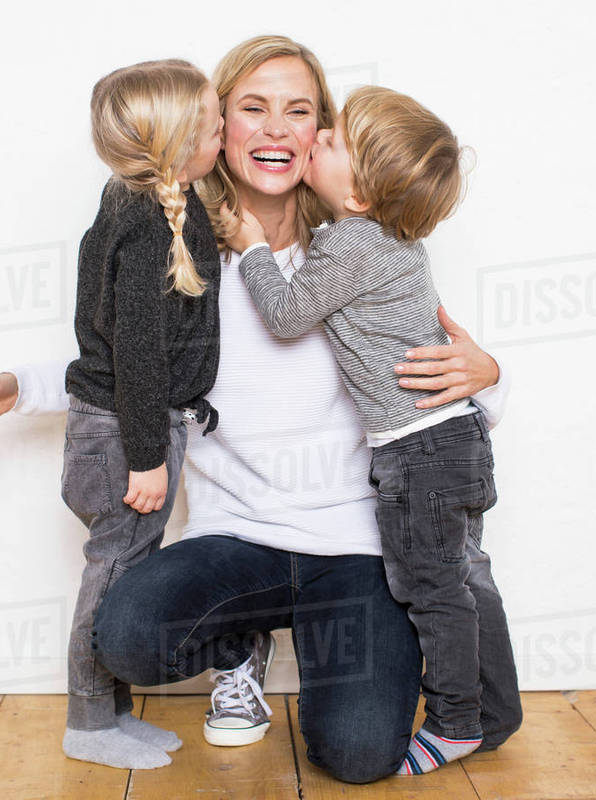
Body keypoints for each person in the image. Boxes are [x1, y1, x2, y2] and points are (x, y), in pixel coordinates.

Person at [0, 35, 522, 785]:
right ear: (214, 129)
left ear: (325, 138)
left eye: (302, 112)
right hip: (235, 544)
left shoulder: (358, 252)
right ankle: (241, 642)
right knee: (124, 635)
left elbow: (437, 383)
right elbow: (134, 369)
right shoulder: (187, 254)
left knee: (356, 755)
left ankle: (355, 651)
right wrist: (20, 386)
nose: (278, 129)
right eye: (253, 109)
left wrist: (492, 373)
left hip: (354, 546)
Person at [223, 84, 494, 775]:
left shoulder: (346, 247)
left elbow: (286, 317)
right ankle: (492, 712)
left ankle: (459, 720)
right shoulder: (389, 243)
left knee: (432, 591)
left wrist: (253, 247)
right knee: (460, 583)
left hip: (418, 452)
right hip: (454, 443)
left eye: (332, 137)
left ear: (362, 197)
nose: (316, 139)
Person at [54, 58, 225, 770]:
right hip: (124, 437)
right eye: (214, 123)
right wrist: (148, 455)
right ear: (179, 140)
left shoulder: (151, 205)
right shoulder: (146, 224)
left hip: (137, 426)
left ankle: (113, 712)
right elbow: (138, 353)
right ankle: (88, 722)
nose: (223, 132)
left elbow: (168, 340)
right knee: (114, 572)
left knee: (126, 572)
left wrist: (195, 405)